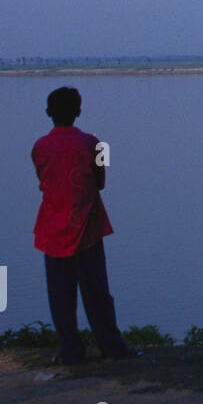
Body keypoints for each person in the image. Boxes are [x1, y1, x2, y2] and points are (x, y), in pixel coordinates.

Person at [31, 87, 138, 363]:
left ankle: (71, 349)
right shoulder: (94, 144)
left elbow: (43, 180)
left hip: (52, 230)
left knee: (60, 296)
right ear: (79, 111)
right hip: (87, 227)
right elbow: (100, 182)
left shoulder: (39, 147)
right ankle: (111, 346)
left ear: (48, 113)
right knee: (97, 293)